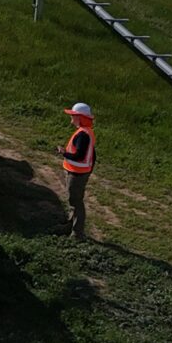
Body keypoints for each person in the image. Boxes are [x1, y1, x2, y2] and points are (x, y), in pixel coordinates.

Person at [60, 101, 96, 239]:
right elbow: (93, 154)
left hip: (77, 173)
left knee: (75, 202)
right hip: (78, 172)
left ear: (80, 118)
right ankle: (71, 224)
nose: (71, 118)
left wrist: (64, 153)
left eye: (73, 116)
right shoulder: (86, 132)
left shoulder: (83, 135)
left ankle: (77, 233)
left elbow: (79, 156)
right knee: (73, 201)